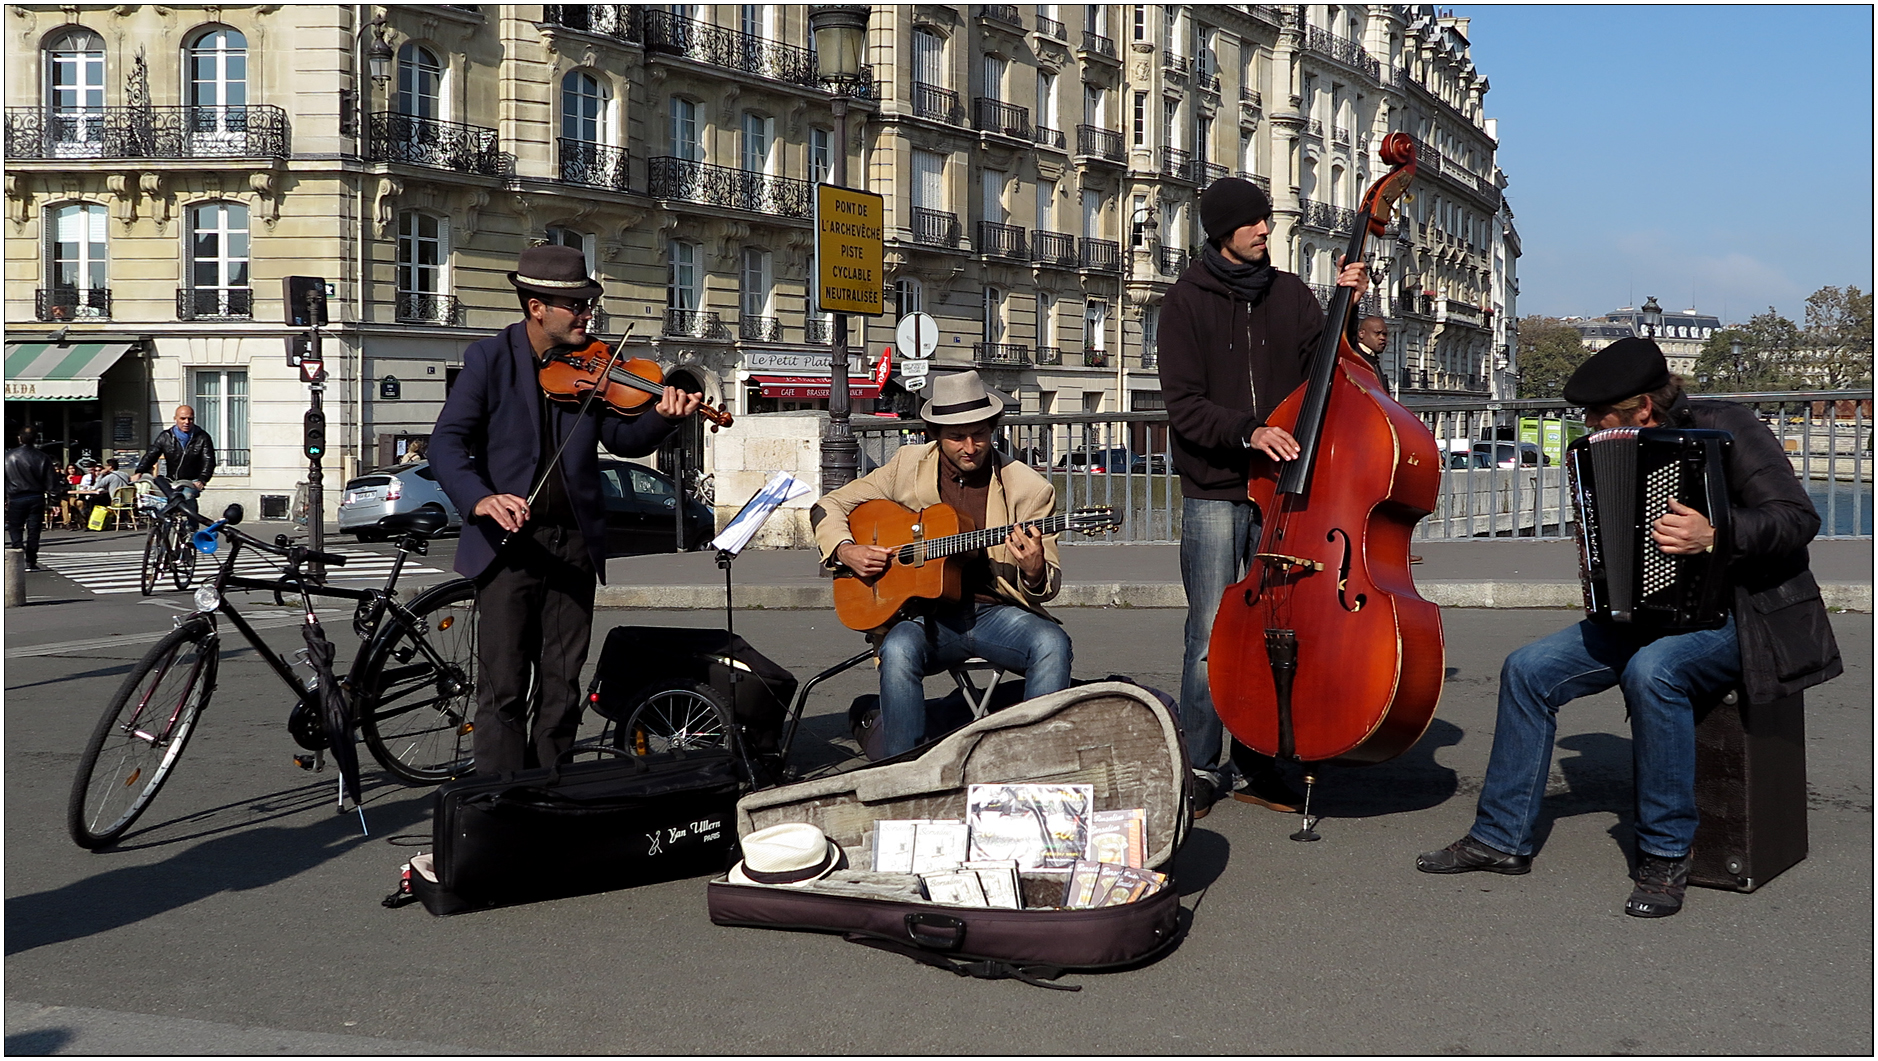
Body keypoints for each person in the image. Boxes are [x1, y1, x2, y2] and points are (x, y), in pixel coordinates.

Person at [1417, 337, 1842, 918]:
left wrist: (1716, 534)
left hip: (1741, 615)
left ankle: (1666, 855)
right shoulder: (1607, 447)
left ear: (1643, 407)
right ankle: (1500, 838)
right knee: (1527, 669)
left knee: (1653, 672)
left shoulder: (1731, 427)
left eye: (1601, 414)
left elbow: (1797, 519)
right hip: (1646, 612)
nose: (1591, 425)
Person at [430, 245, 700, 776]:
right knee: (504, 686)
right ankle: (501, 797)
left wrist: (666, 418)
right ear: (537, 307)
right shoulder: (489, 360)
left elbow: (623, 439)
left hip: (573, 543)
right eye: (575, 306)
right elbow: (446, 443)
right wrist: (481, 498)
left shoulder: (596, 365)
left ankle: (552, 788)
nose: (586, 315)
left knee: (562, 682)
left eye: (588, 304)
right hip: (508, 545)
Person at [1156, 176, 1369, 818]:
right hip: (1216, 488)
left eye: (1265, 221)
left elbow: (1327, 371)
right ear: (1223, 230)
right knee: (1209, 631)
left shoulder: (1291, 293)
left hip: (1280, 492)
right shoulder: (1184, 303)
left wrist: (1345, 309)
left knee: (1275, 624)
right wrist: (1249, 431)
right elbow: (1184, 406)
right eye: (1253, 222)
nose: (1265, 230)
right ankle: (1200, 764)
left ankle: (1259, 761)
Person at [810, 371, 1072, 759]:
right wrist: (845, 549)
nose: (970, 447)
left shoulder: (1029, 488)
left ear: (992, 429)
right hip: (925, 615)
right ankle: (903, 770)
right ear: (935, 434)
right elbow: (828, 505)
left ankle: (1032, 763)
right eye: (957, 437)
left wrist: (1033, 569)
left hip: (995, 611)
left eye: (979, 434)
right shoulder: (907, 465)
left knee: (1052, 644)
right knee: (898, 649)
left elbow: (1046, 582)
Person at [133, 405, 216, 513]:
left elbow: (209, 460)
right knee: (159, 500)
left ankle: (192, 522)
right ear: (175, 419)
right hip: (171, 480)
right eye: (183, 418)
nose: (186, 422)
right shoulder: (166, 436)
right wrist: (140, 471)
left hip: (191, 481)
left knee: (187, 496)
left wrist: (202, 479)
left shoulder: (202, 437)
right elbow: (151, 454)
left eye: (190, 419)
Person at [5, 429, 64, 569]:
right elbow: (52, 481)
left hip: (15, 496)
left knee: (15, 527)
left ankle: (18, 551)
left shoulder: (8, 456)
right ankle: (31, 560)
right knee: (34, 529)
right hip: (36, 496)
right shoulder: (42, 457)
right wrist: (55, 501)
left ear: (19, 439)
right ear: (35, 439)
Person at [1354, 315, 1391, 393]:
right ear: (1361, 333)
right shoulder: (1353, 355)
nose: (1382, 338)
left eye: (1384, 334)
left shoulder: (1374, 359)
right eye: (1377, 333)